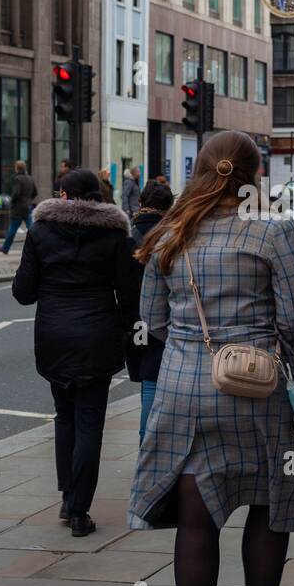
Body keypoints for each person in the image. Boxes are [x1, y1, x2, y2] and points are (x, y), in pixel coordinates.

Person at [128, 131, 294, 586]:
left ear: (201, 170)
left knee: (196, 522)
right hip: (257, 386)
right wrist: (269, 350)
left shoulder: (170, 232)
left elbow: (151, 319)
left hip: (184, 390)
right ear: (255, 175)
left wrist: (194, 347)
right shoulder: (271, 230)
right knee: (268, 504)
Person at [12, 168, 138, 537]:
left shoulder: (40, 231)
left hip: (54, 335)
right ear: (97, 196)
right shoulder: (116, 234)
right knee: (90, 423)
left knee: (63, 415)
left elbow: (23, 293)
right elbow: (129, 295)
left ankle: (68, 498)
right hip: (97, 334)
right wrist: (131, 330)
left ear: (64, 196)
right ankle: (80, 510)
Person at [126, 180, 174, 443]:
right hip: (167, 320)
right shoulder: (175, 238)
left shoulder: (127, 238)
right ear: (169, 208)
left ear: (141, 204)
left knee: (149, 381)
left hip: (134, 323)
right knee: (161, 380)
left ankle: (147, 441)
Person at [0, 161, 39, 254]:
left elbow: (16, 193)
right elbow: (35, 192)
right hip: (27, 207)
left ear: (17, 168)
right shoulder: (30, 178)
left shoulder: (18, 179)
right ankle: (39, 246)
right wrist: (28, 200)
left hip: (18, 208)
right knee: (32, 229)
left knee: (12, 229)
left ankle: (5, 248)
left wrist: (11, 200)